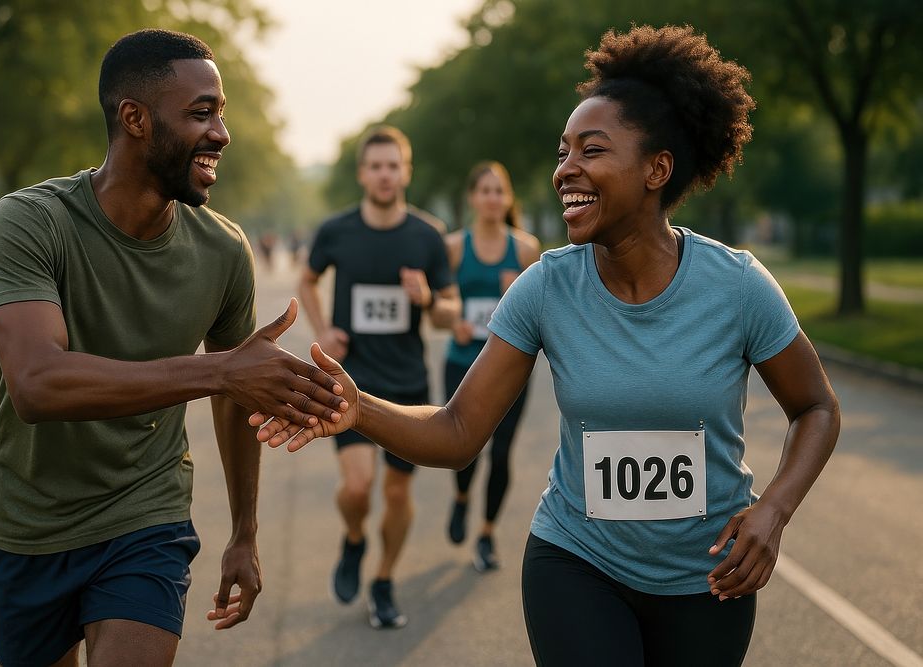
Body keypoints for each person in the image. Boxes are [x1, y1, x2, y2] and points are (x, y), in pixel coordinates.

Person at [260, 25, 841, 666]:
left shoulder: (737, 286)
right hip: (577, 565)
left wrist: (775, 510)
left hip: (708, 579)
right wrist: (360, 408)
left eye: (591, 151)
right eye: (563, 151)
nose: (566, 169)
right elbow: (457, 431)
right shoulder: (546, 287)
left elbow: (816, 407)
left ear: (658, 168)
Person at [0, 29, 346, 667]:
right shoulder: (30, 223)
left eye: (222, 113)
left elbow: (238, 394)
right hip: (28, 525)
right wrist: (220, 371)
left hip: (145, 518)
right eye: (202, 113)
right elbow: (37, 384)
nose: (222, 132)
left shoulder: (224, 251)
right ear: (135, 119)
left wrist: (244, 534)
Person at [297, 125, 461, 629]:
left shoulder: (427, 235)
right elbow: (307, 279)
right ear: (363, 173)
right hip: (351, 380)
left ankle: (385, 579)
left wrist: (428, 299)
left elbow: (449, 313)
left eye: (395, 165)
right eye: (376, 166)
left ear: (406, 171)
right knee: (356, 487)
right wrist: (325, 331)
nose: (386, 174)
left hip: (409, 383)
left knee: (395, 492)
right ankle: (353, 539)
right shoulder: (337, 231)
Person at [443, 161, 540, 571]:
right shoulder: (453, 247)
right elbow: (438, 309)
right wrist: (454, 321)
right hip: (462, 362)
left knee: (501, 454)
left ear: (508, 199)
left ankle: (486, 533)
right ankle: (462, 498)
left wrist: (515, 297)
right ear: (472, 198)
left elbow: (539, 312)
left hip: (511, 367)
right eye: (485, 190)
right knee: (464, 450)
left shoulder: (526, 249)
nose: (492, 198)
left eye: (499, 191)